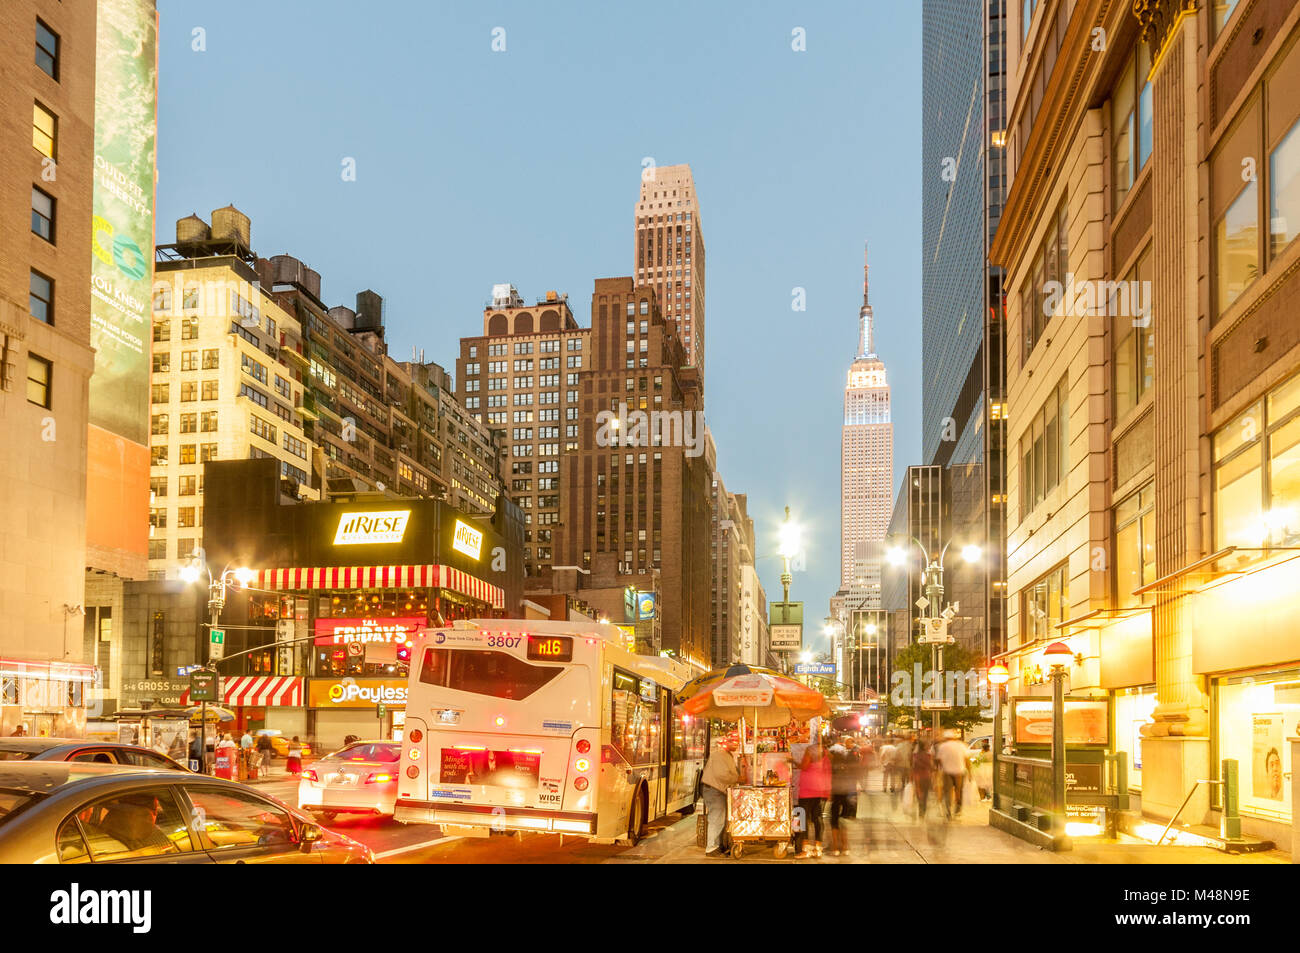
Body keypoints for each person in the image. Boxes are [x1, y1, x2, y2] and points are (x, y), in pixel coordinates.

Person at [700, 739, 740, 857]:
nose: (736, 745)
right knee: (716, 818)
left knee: (720, 818)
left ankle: (718, 845)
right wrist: (736, 779)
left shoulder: (727, 755)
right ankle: (711, 848)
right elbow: (721, 775)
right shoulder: (719, 754)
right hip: (713, 790)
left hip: (718, 790)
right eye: (733, 742)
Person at [794, 738, 830, 858]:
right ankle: (818, 848)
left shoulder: (810, 750)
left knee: (802, 819)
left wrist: (792, 761)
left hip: (807, 790)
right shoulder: (825, 753)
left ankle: (805, 849)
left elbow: (804, 766)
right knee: (817, 819)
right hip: (819, 790)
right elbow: (827, 772)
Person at [827, 736, 861, 856]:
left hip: (836, 794)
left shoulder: (832, 768)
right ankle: (845, 846)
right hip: (845, 794)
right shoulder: (847, 767)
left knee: (834, 821)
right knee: (843, 821)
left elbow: (830, 781)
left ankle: (836, 847)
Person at [936, 731, 971, 818]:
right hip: (960, 771)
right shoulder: (961, 745)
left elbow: (939, 761)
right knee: (959, 790)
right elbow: (966, 759)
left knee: (947, 791)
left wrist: (939, 770)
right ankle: (958, 809)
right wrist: (970, 772)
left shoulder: (942, 746)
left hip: (947, 771)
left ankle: (948, 811)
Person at [910, 739, 935, 819]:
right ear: (924, 746)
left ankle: (921, 811)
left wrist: (911, 778)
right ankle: (923, 811)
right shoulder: (928, 756)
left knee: (919, 795)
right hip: (926, 777)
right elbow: (931, 767)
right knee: (925, 795)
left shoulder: (914, 756)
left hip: (917, 778)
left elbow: (913, 768)